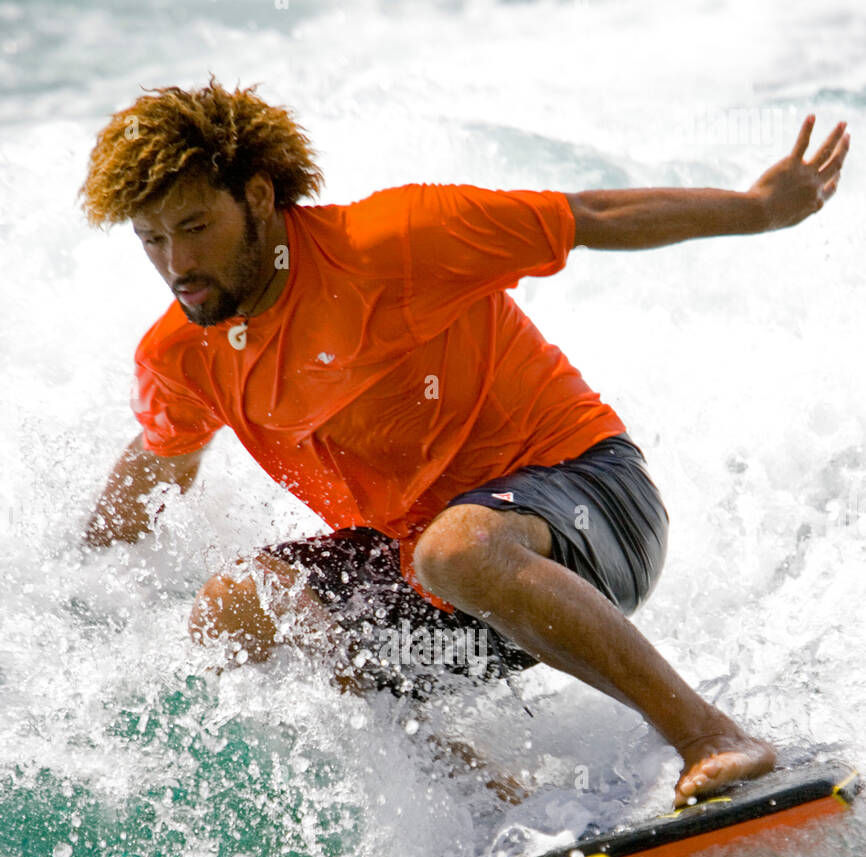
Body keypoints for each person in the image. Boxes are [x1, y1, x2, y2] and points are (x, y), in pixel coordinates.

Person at [80, 80, 849, 806]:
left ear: (255, 199)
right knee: (237, 606)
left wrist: (758, 209)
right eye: (151, 240)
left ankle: (713, 735)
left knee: (456, 550)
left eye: (194, 228)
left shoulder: (393, 241)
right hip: (447, 589)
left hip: (596, 508)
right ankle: (485, 804)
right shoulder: (181, 356)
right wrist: (77, 593)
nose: (177, 266)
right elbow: (158, 461)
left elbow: (589, 214)